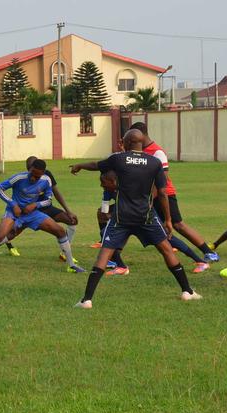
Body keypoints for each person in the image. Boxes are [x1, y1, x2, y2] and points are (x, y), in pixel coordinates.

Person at [69, 129, 201, 309]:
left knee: (105, 254)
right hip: (145, 216)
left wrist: (79, 166)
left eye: (123, 140)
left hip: (121, 216)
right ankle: (188, 292)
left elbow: (96, 165)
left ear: (128, 142)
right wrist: (168, 220)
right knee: (166, 250)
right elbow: (162, 192)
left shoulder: (118, 158)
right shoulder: (154, 163)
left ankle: (86, 300)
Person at [0, 159, 85, 275]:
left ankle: (71, 265)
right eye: (32, 174)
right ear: (30, 169)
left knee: (59, 231)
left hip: (33, 214)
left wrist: (36, 205)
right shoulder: (19, 177)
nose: (33, 178)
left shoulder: (46, 180)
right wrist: (13, 204)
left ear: (43, 173)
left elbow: (49, 200)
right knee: (0, 234)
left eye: (37, 176)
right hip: (14, 213)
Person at [129, 122, 219, 263]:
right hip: (148, 197)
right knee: (156, 227)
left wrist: (151, 198)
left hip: (164, 195)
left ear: (140, 135)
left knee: (178, 225)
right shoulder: (138, 151)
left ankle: (209, 252)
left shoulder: (157, 152)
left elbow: (162, 180)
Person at [11, 155, 79, 263]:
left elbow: (56, 192)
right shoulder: (23, 178)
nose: (32, 174)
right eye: (29, 169)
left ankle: (64, 253)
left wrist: (68, 211)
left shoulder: (47, 175)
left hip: (47, 208)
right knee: (11, 233)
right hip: (32, 212)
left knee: (72, 221)